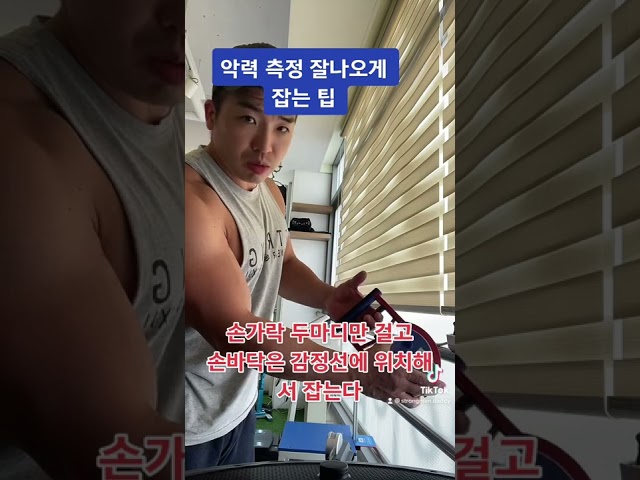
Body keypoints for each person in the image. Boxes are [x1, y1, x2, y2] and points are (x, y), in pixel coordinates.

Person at [184, 42, 445, 471]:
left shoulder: (268, 190)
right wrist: (360, 372)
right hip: (185, 422)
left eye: (283, 127)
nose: (265, 147)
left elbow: (282, 263)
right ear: (212, 115)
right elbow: (235, 333)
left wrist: (326, 297)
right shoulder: (191, 202)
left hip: (235, 407)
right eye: (249, 119)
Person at [0, 1, 185, 479]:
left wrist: (328, 299)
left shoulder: (166, 92)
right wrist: (350, 373)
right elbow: (122, 450)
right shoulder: (19, 148)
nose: (184, 17)